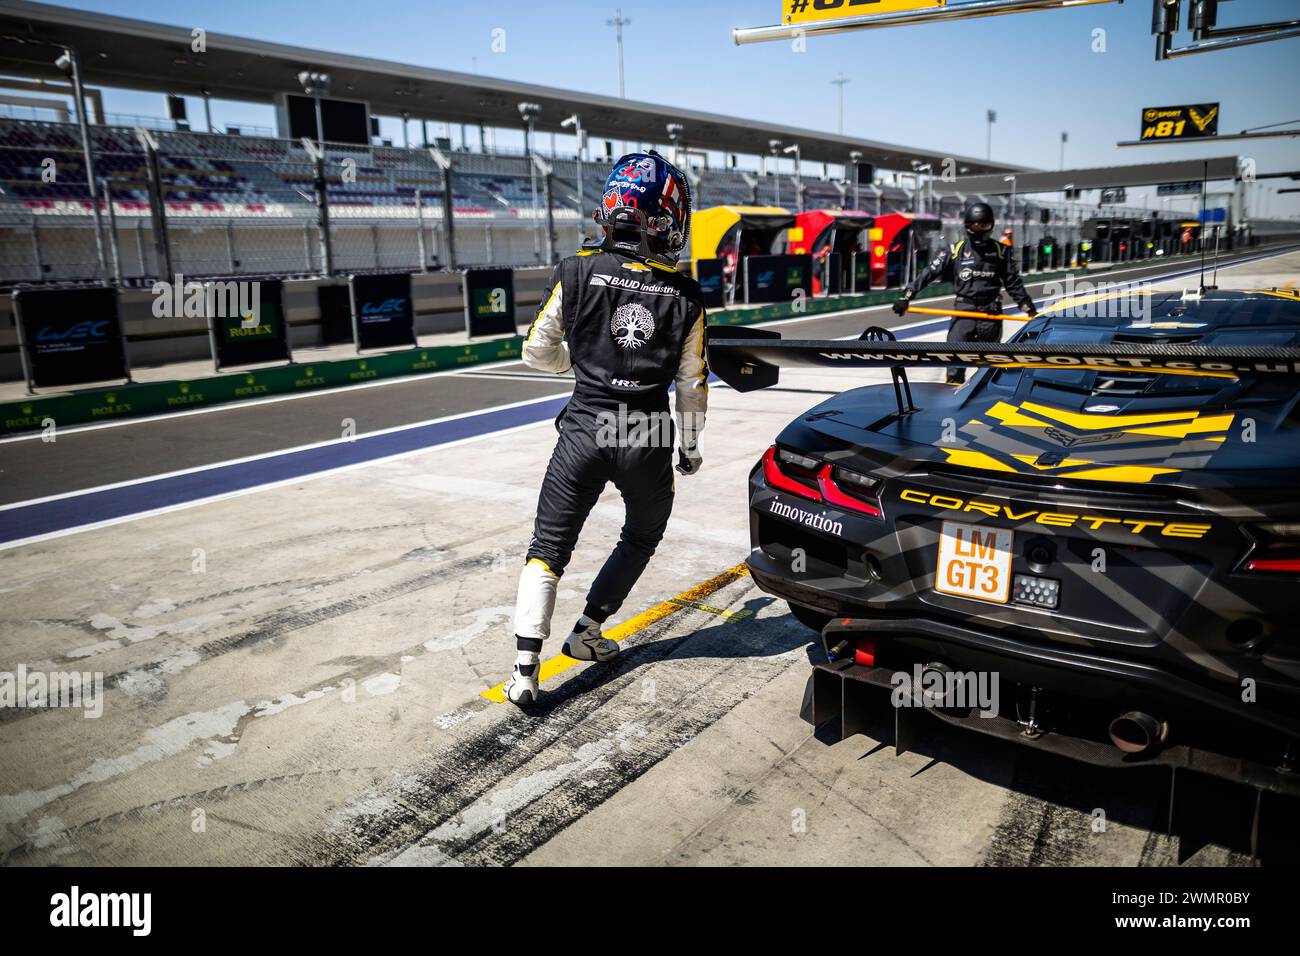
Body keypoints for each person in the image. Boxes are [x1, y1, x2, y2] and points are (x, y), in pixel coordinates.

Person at [504, 151, 708, 706]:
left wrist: (584, 362)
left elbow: (535, 352)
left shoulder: (574, 271)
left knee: (548, 547)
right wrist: (689, 450)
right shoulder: (687, 296)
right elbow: (692, 385)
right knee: (641, 536)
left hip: (584, 429)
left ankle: (525, 672)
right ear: (656, 219)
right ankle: (589, 631)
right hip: (644, 435)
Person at [892, 202, 1038, 385]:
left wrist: (1030, 310)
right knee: (954, 365)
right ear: (967, 226)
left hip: (990, 314)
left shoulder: (1001, 252)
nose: (979, 229)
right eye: (974, 225)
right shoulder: (955, 250)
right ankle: (951, 405)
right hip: (963, 311)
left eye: (983, 225)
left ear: (991, 225)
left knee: (988, 370)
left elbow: (1013, 284)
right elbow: (929, 273)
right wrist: (906, 296)